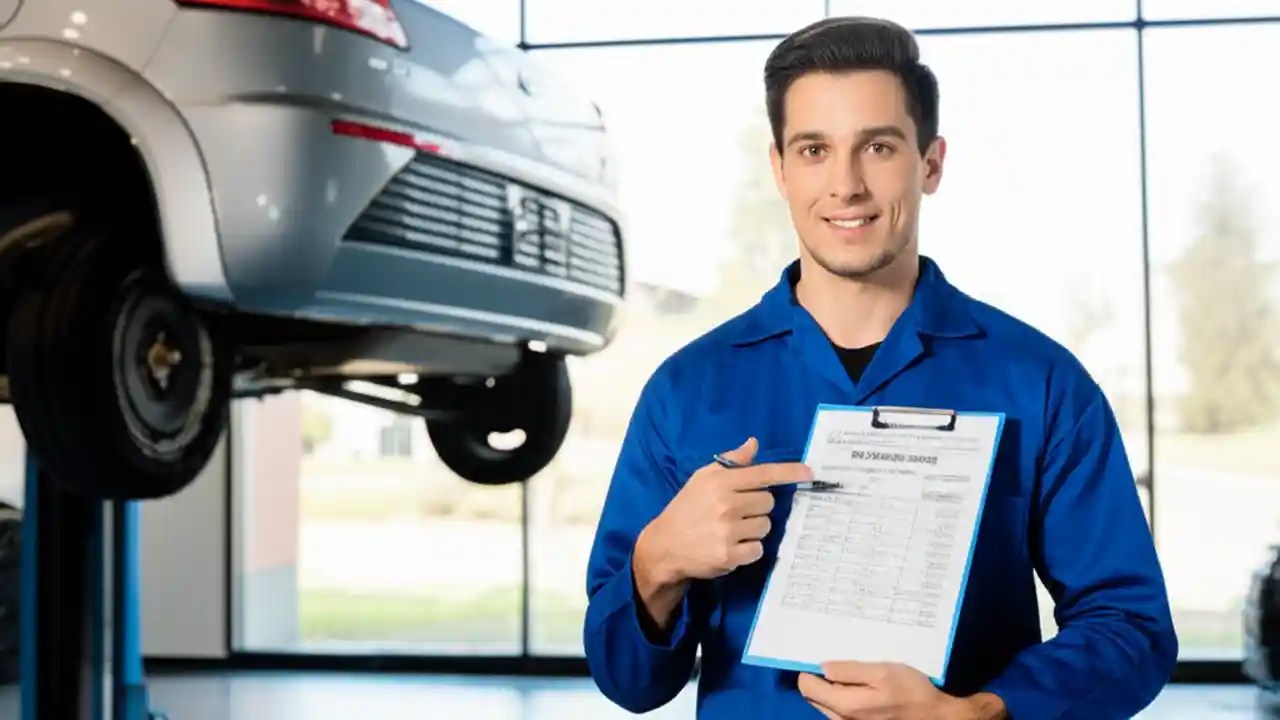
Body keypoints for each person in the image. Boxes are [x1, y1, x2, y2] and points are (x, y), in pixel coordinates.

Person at [582, 15, 1177, 720]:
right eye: (814, 149)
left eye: (879, 147)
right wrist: (657, 564)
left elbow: (1129, 625)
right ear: (778, 168)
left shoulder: (1044, 384)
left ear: (930, 162)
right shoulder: (685, 392)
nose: (846, 185)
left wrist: (981, 712)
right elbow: (629, 682)